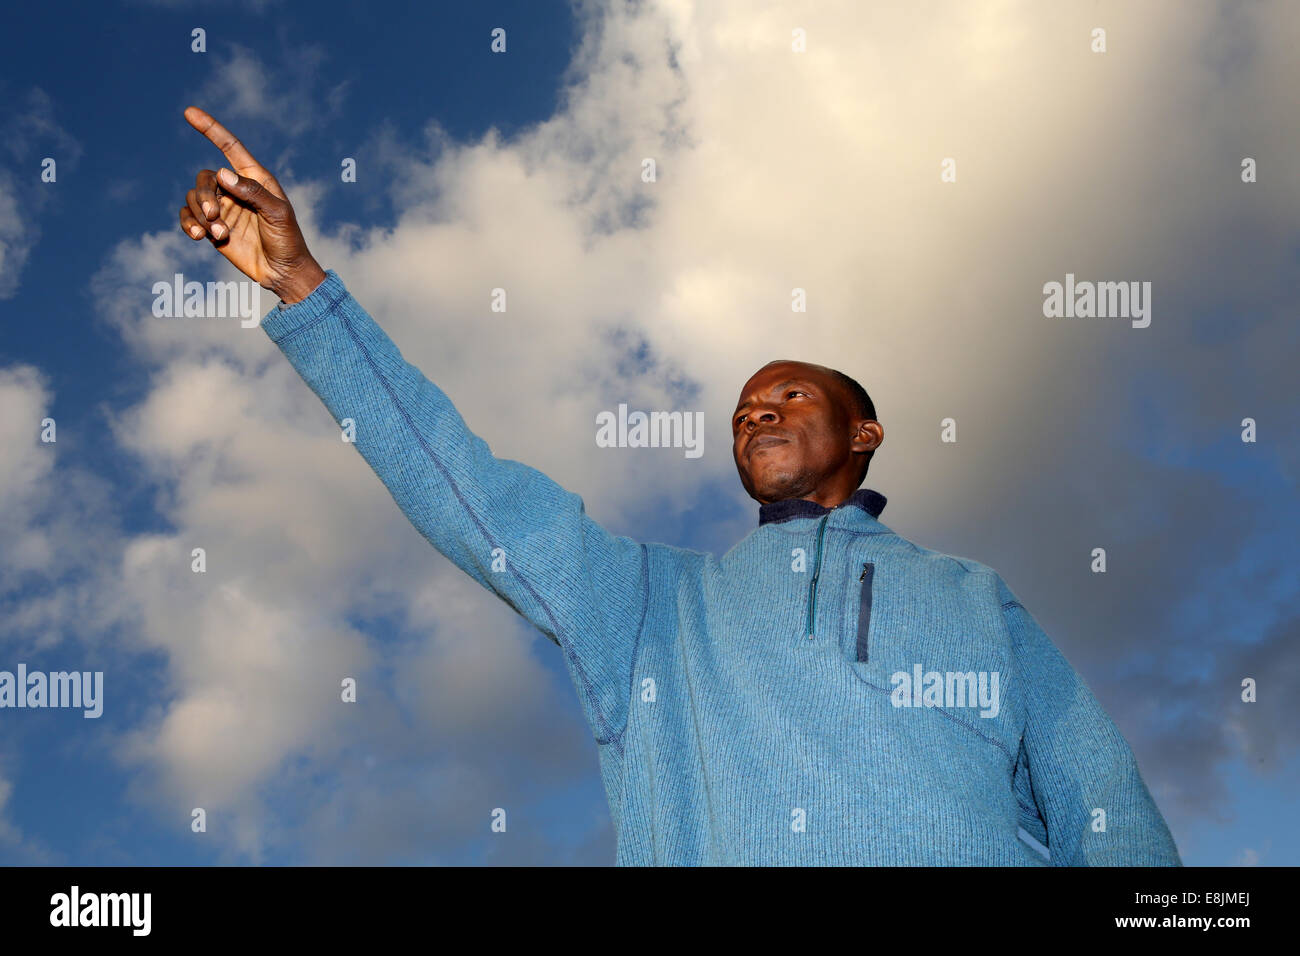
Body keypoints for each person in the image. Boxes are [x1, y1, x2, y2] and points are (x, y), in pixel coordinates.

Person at [177, 106, 1182, 866]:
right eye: (743, 406)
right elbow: (467, 489)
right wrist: (305, 288)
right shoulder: (655, 605)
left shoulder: (973, 596)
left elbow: (1101, 798)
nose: (756, 411)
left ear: (865, 432)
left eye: (790, 393)